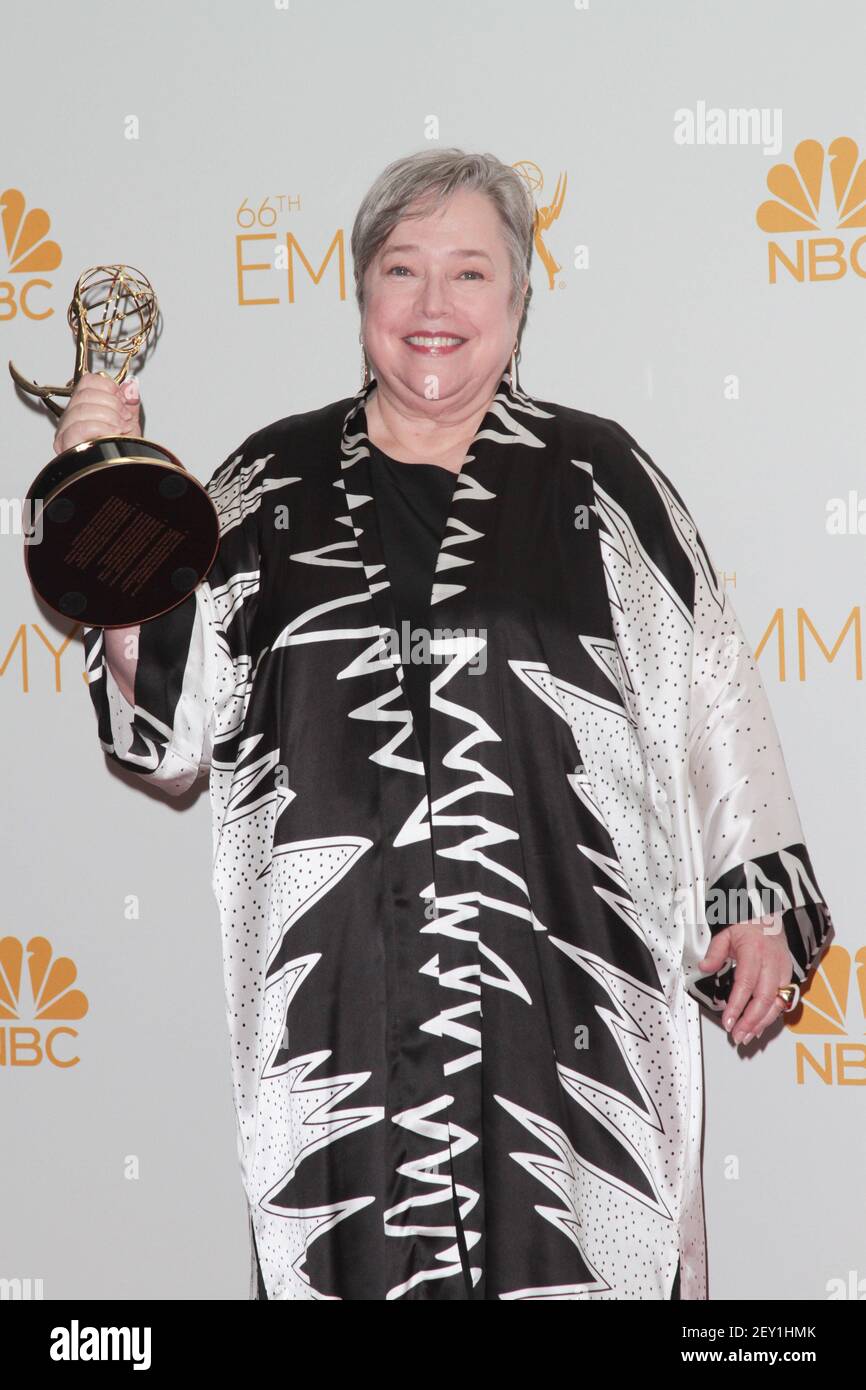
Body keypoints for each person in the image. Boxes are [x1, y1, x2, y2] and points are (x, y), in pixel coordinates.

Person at [62, 148, 834, 1301]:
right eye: (401, 269)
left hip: (572, 1013)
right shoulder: (263, 490)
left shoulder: (600, 480)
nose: (434, 307)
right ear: (360, 293)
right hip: (340, 1022)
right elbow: (168, 723)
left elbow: (711, 693)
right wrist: (106, 507)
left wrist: (752, 903)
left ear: (517, 302)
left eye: (470, 273)